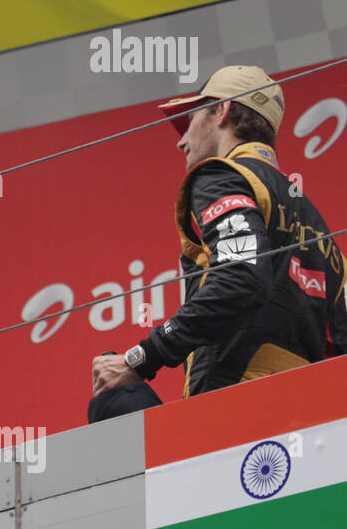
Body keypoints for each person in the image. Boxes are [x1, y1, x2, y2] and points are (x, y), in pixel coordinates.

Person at [90, 66, 347, 419]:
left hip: (232, 415)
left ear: (222, 111)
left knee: (112, 399)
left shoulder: (222, 175)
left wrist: (142, 357)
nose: (181, 140)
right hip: (309, 421)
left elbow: (240, 276)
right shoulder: (321, 229)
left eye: (191, 119)